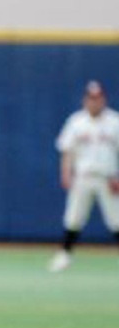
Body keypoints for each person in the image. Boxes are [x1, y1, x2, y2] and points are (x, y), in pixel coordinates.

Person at [48, 80, 119, 272]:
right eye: (91, 98)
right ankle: (64, 256)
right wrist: (66, 173)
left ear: (103, 99)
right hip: (83, 177)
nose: (94, 102)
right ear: (85, 100)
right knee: (73, 218)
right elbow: (67, 150)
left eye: (98, 98)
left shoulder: (115, 121)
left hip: (108, 178)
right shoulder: (76, 122)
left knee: (116, 220)